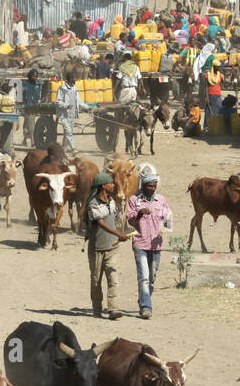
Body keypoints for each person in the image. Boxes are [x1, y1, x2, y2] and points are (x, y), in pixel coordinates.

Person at [126, 169, 170, 319]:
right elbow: (130, 221)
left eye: (154, 186)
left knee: (152, 277)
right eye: (150, 186)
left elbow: (168, 218)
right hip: (140, 242)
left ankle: (144, 297)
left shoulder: (161, 200)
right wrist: (139, 214)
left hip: (156, 244)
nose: (152, 188)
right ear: (143, 185)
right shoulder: (134, 200)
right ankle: (146, 307)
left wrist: (165, 226)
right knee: (144, 277)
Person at [86, 172, 130, 320]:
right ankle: (97, 308)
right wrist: (118, 233)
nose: (113, 185)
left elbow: (115, 219)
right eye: (110, 183)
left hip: (112, 247)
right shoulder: (93, 204)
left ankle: (113, 309)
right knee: (96, 280)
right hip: (97, 248)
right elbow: (101, 223)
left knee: (113, 276)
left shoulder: (112, 201)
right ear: (103, 186)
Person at [56, 69, 81, 153]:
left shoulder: (75, 89)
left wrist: (88, 107)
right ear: (69, 79)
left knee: (68, 132)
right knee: (68, 131)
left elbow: (79, 102)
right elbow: (58, 102)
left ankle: (64, 149)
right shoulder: (62, 89)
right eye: (73, 78)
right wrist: (66, 105)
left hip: (72, 115)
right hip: (63, 115)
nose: (75, 79)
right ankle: (73, 148)